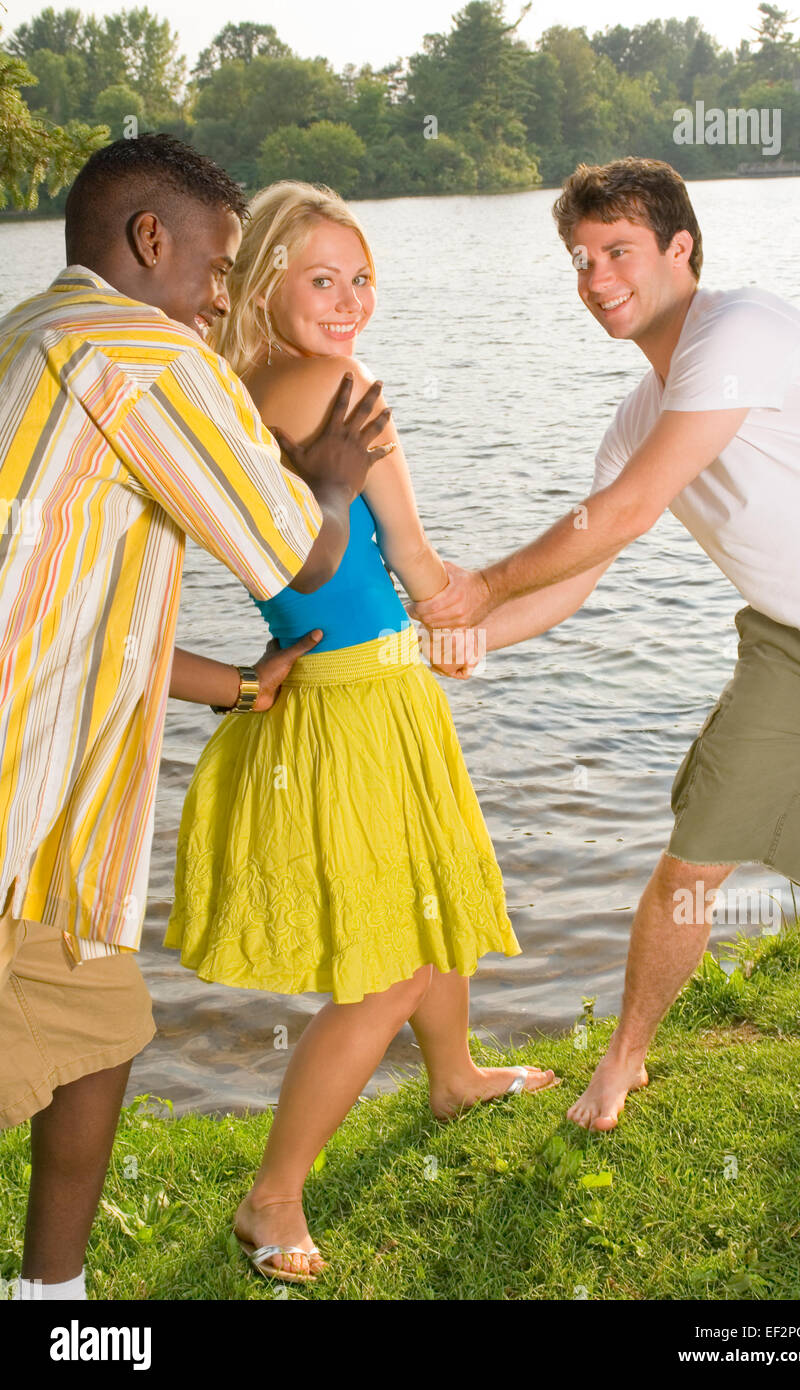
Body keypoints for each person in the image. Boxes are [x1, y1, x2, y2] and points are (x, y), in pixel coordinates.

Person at [0, 133, 390, 1301]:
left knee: (103, 1031)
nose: (222, 297)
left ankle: (53, 1303)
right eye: (218, 268)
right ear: (147, 241)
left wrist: (230, 681)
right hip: (18, 795)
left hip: (50, 796)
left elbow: (65, 601)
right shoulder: (143, 352)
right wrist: (327, 474)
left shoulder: (26, 332)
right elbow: (297, 555)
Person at [414, 156, 800, 1132]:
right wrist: (458, 639)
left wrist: (481, 581)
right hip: (797, 652)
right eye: (578, 260)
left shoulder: (740, 330)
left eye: (615, 250)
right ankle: (621, 1064)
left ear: (678, 248)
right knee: (690, 864)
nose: (595, 279)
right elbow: (578, 580)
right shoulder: (633, 418)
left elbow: (623, 512)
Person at [164, 180, 559, 1283]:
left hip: (332, 687)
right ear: (264, 282)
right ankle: (270, 1195)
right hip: (359, 700)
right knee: (386, 957)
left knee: (422, 891)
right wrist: (527, 579)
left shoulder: (233, 387)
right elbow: (418, 566)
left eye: (360, 277)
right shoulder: (340, 381)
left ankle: (453, 1072)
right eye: (319, 278)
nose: (348, 303)